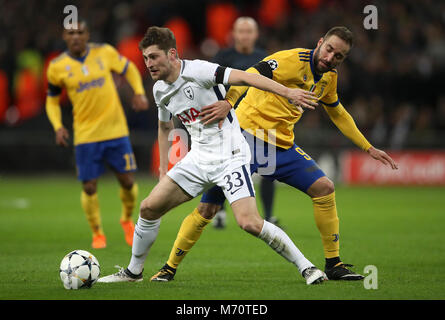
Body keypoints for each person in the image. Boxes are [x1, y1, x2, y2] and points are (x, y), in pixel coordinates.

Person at [149, 26, 398, 282]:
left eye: (338, 56)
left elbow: (337, 112)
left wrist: (368, 147)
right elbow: (250, 74)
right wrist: (228, 102)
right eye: (329, 49)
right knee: (208, 208)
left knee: (324, 187)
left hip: (281, 145)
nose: (330, 57)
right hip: (245, 139)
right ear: (320, 42)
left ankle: (334, 264)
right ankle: (169, 267)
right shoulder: (291, 60)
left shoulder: (329, 78)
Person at [98, 26, 326, 285]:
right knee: (149, 208)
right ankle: (133, 273)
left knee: (249, 222)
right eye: (146, 58)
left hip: (230, 155)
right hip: (198, 158)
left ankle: (307, 267)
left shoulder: (198, 71)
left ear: (171, 54)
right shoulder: (159, 89)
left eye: (153, 57)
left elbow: (248, 78)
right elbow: (164, 127)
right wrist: (163, 169)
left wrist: (288, 92)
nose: (148, 64)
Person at [45, 20, 149, 249]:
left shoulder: (105, 52)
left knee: (128, 181)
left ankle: (126, 220)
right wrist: (57, 126)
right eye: (71, 33)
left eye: (80, 32)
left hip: (116, 130)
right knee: (89, 187)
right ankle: (97, 232)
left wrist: (139, 92)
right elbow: (51, 100)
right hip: (85, 135)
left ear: (87, 33)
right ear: (64, 36)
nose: (76, 37)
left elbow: (130, 68)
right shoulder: (57, 66)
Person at [211, 16, 279, 229]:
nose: (245, 36)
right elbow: (212, 86)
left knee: (268, 169)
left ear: (256, 35)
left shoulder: (265, 58)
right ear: (234, 34)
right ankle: (218, 212)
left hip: (260, 120)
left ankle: (268, 215)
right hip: (230, 121)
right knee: (222, 168)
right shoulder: (222, 57)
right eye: (241, 31)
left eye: (249, 32)